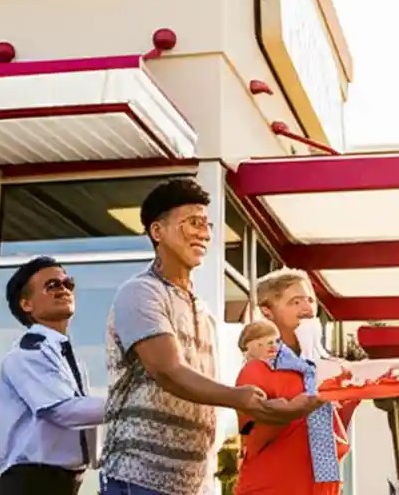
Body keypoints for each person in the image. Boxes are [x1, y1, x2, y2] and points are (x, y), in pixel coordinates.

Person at [99, 178, 317, 495]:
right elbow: (168, 371)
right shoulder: (141, 293)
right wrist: (240, 397)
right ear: (157, 232)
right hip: (139, 478)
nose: (203, 232)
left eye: (206, 223)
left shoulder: (203, 310)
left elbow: (209, 394)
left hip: (193, 482)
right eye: (191, 222)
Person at [234, 269, 360, 494]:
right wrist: (293, 408)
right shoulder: (257, 369)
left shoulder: (320, 368)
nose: (308, 309)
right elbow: (253, 436)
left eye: (310, 300)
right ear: (267, 312)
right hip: (273, 487)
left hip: (323, 488)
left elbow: (335, 434)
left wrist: (347, 395)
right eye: (295, 302)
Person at [0, 256, 104, 495]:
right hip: (32, 484)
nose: (63, 290)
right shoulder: (27, 354)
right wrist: (133, 404)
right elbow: (62, 411)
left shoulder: (67, 357)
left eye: (67, 284)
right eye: (52, 285)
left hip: (63, 484)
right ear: (26, 305)